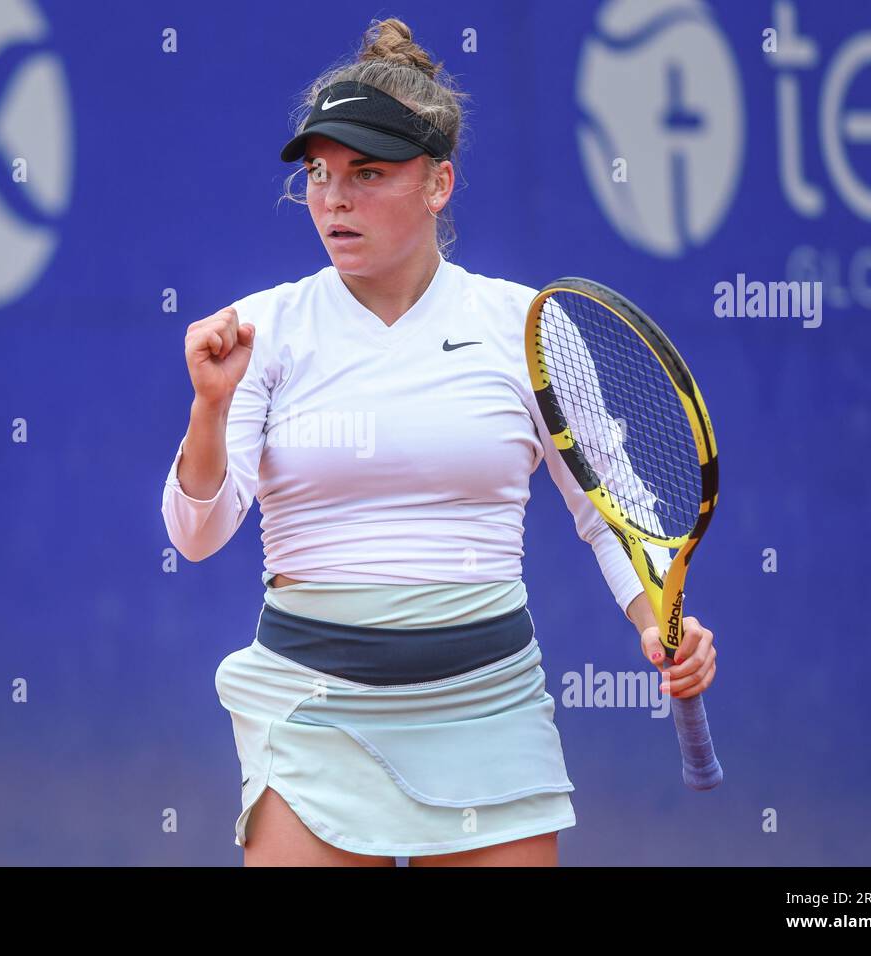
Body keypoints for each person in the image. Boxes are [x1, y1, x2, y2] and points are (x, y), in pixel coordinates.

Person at [161, 17, 717, 867]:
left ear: (438, 183)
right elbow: (196, 537)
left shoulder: (526, 327)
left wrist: (658, 621)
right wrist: (209, 408)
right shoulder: (260, 332)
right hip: (310, 708)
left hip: (486, 706)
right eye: (319, 176)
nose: (334, 200)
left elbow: (613, 513)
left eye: (367, 174)